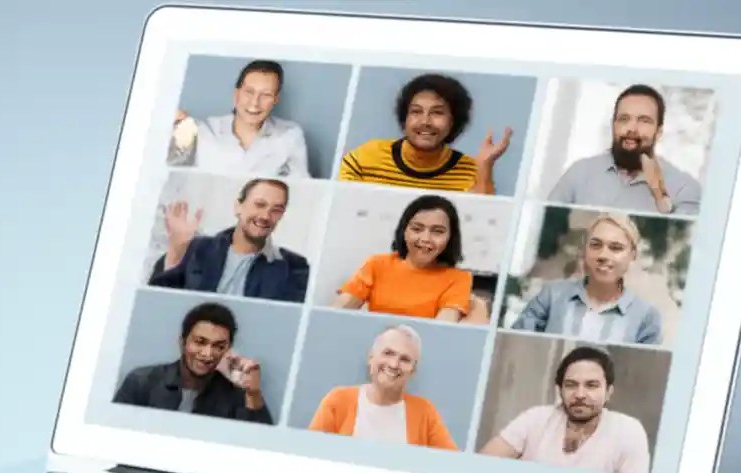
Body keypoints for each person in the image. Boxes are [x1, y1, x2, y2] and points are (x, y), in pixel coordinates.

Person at [478, 346, 650, 473]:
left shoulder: (629, 431)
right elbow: (481, 465)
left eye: (591, 385)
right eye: (571, 385)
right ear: (559, 390)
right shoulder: (536, 418)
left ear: (608, 392)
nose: (580, 394)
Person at [338, 73, 511, 193]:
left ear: (453, 121)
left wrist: (484, 166)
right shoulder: (365, 158)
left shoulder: (472, 172)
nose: (425, 122)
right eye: (416, 112)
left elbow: (482, 229)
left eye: (437, 112)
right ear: (404, 118)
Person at [548, 84, 702, 215]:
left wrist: (660, 195)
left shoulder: (684, 188)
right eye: (624, 119)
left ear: (659, 132)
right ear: (613, 125)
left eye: (644, 121)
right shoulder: (579, 173)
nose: (631, 129)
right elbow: (541, 230)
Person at [148, 178, 310, 303]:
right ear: (238, 207)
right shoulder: (200, 248)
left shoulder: (295, 266)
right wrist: (177, 248)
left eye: (276, 210)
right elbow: (154, 301)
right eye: (259, 205)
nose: (266, 216)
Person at [330, 194, 486, 322]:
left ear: (451, 238)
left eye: (437, 231)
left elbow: (441, 331)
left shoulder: (459, 279)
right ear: (404, 231)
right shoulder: (377, 264)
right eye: (417, 229)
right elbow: (335, 315)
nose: (425, 238)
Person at [512, 212, 663, 345]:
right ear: (584, 251)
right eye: (596, 245)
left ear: (633, 255)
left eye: (616, 248)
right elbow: (516, 345)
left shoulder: (646, 317)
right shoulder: (551, 296)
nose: (603, 255)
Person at [113, 302, 272, 424]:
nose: (207, 354)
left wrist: (253, 394)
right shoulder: (141, 381)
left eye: (219, 346)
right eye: (200, 342)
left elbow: (261, 447)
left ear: (228, 350)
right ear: (182, 342)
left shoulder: (237, 395)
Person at [307, 325, 458, 449]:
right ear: (371, 358)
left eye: (405, 359)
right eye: (388, 353)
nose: (394, 364)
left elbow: (452, 465)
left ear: (413, 370)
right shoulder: (338, 400)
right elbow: (310, 453)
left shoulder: (425, 412)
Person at [168, 59, 310, 178]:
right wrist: (168, 125)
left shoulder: (290, 136)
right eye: (249, 92)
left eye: (266, 95)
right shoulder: (202, 130)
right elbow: (167, 164)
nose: (255, 103)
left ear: (275, 99)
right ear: (236, 94)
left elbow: (302, 191)